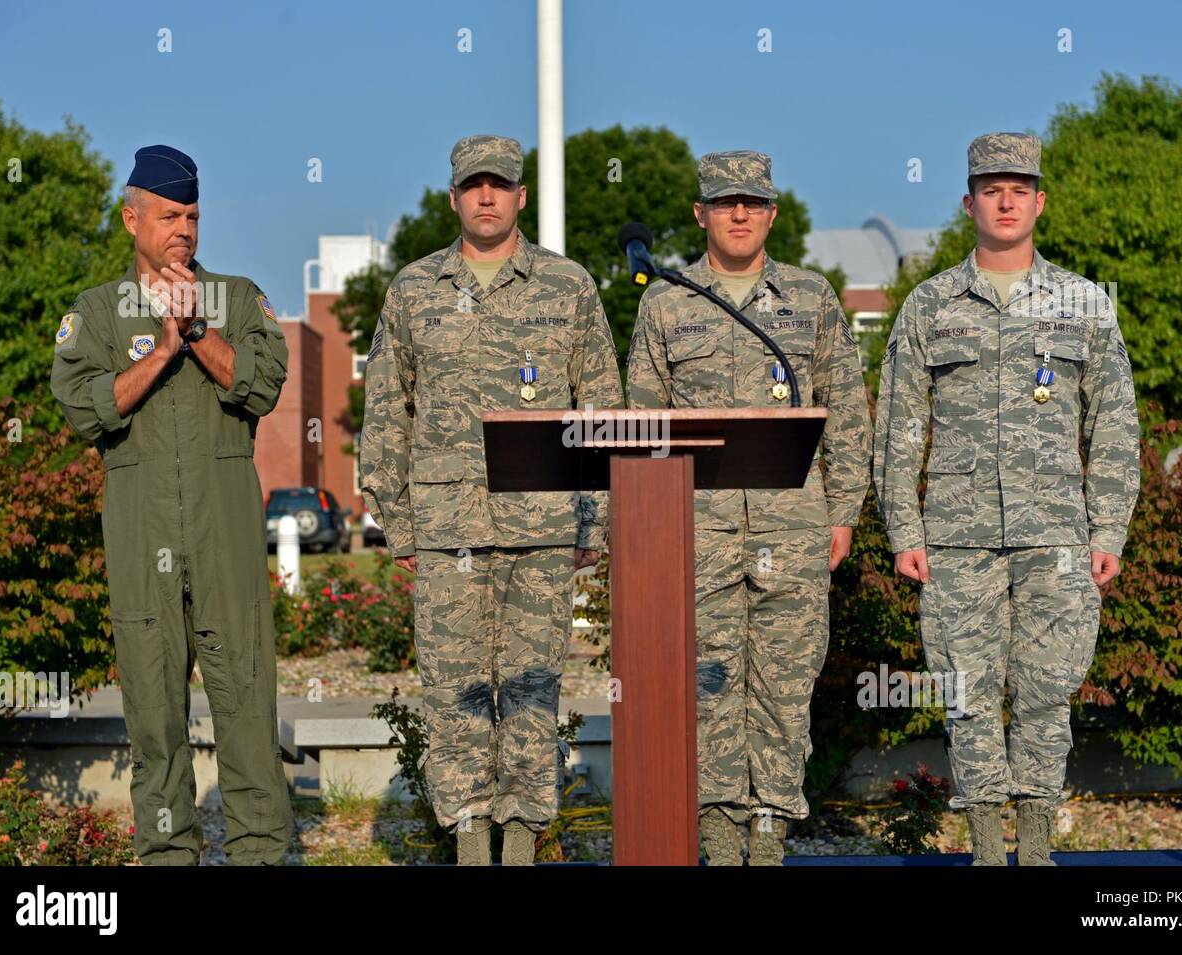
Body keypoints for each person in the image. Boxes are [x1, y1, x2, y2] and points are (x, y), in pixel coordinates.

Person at [872, 132, 1140, 865]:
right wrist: (903, 527)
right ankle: (989, 847)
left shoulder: (1085, 303)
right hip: (955, 537)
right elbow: (900, 424)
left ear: (1040, 201)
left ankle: (1035, 847)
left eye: (1020, 188)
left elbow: (1114, 422)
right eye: (992, 188)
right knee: (967, 695)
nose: (1006, 200)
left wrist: (1109, 529)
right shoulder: (929, 305)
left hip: (1058, 534)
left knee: (1049, 691)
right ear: (969, 203)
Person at [360, 135, 623, 865]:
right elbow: (386, 409)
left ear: (521, 198)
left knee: (534, 694)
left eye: (499, 185)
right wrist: (400, 523)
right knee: (455, 696)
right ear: (453, 197)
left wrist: (592, 515)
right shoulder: (414, 288)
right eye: (473, 184)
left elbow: (601, 408)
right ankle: (472, 845)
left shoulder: (567, 287)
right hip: (449, 533)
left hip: (541, 527)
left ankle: (522, 843)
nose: (486, 196)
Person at [626, 150, 870, 865]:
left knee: (785, 687)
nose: (740, 213)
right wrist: (645, 530)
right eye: (726, 201)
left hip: (792, 527)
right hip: (694, 530)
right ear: (701, 212)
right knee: (707, 686)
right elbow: (640, 424)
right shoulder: (666, 299)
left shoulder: (812, 298)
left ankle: (769, 832)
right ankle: (719, 833)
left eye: (753, 202)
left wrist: (844, 510)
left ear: (772, 213)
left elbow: (847, 412)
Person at [50, 145, 292, 865]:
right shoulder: (95, 313)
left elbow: (262, 383)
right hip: (139, 529)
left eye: (191, 214)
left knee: (248, 710)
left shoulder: (239, 298)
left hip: (224, 534)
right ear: (131, 219)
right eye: (167, 215)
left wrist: (196, 331)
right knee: (155, 719)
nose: (182, 228)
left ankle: (258, 854)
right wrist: (159, 350)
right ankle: (166, 854)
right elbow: (85, 410)